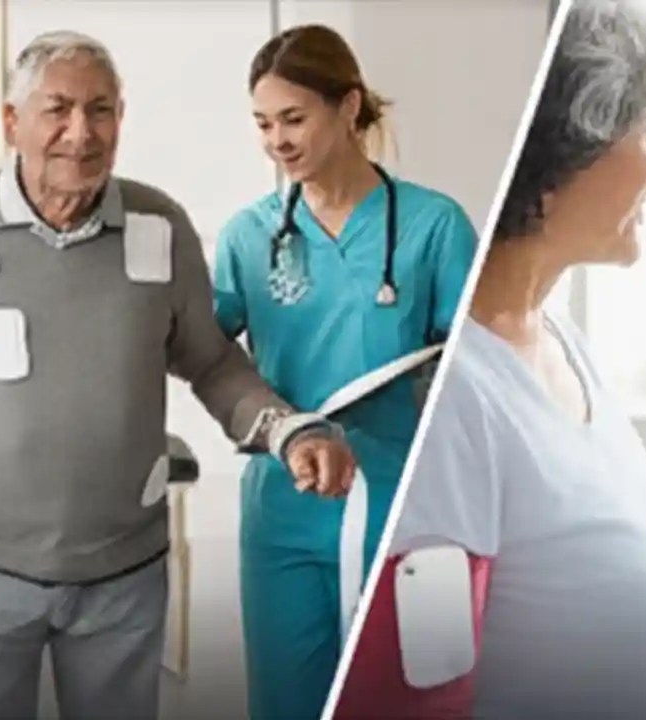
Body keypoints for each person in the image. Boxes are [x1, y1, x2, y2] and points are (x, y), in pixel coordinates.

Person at [0, 30, 357, 720]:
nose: (80, 134)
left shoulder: (160, 226)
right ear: (12, 122)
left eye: (102, 111)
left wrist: (290, 432)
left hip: (125, 576)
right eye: (57, 110)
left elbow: (211, 362)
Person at [334, 1, 646, 718]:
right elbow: (415, 699)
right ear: (563, 155)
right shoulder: (461, 397)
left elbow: (560, 602)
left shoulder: (560, 340)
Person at [212, 24, 477, 720]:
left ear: (349, 106)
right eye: (264, 124)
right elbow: (205, 353)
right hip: (283, 510)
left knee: (393, 703)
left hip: (400, 508)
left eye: (294, 118)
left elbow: (479, 371)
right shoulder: (249, 235)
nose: (277, 140)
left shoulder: (433, 226)